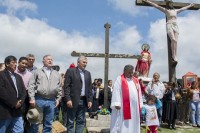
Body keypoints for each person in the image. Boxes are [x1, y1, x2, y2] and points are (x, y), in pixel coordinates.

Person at [28, 55, 62, 133]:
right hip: (39, 99)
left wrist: (58, 99)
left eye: (51, 59)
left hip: (51, 100)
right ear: (43, 61)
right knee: (35, 122)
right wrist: (32, 98)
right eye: (48, 59)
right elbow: (31, 85)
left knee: (48, 123)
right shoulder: (37, 72)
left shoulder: (56, 73)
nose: (50, 61)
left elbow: (59, 87)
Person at [110, 65, 143, 133]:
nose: (131, 74)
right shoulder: (119, 79)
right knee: (124, 123)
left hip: (134, 107)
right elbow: (116, 91)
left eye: (132, 72)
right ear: (124, 71)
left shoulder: (136, 80)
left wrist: (140, 104)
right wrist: (117, 103)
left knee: (133, 122)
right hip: (123, 107)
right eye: (129, 73)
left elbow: (139, 92)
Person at [64, 55, 93, 133]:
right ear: (78, 62)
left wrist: (90, 100)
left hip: (83, 101)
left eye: (86, 62)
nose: (85, 64)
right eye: (83, 62)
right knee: (70, 121)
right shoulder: (71, 71)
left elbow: (89, 88)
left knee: (81, 121)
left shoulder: (88, 73)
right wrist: (68, 99)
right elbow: (66, 87)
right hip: (73, 100)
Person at [0, 55, 26, 133]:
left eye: (16, 62)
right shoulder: (1, 75)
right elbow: (1, 91)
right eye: (13, 62)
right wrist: (14, 103)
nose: (15, 64)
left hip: (17, 110)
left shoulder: (18, 77)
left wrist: (20, 102)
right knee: (3, 130)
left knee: (19, 130)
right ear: (7, 64)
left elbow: (23, 91)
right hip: (5, 109)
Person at [15, 57, 33, 133]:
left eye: (26, 64)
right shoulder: (14, 72)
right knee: (16, 116)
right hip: (15, 95)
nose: (24, 65)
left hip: (26, 96)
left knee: (27, 116)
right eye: (22, 63)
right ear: (18, 62)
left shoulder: (30, 74)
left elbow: (31, 86)